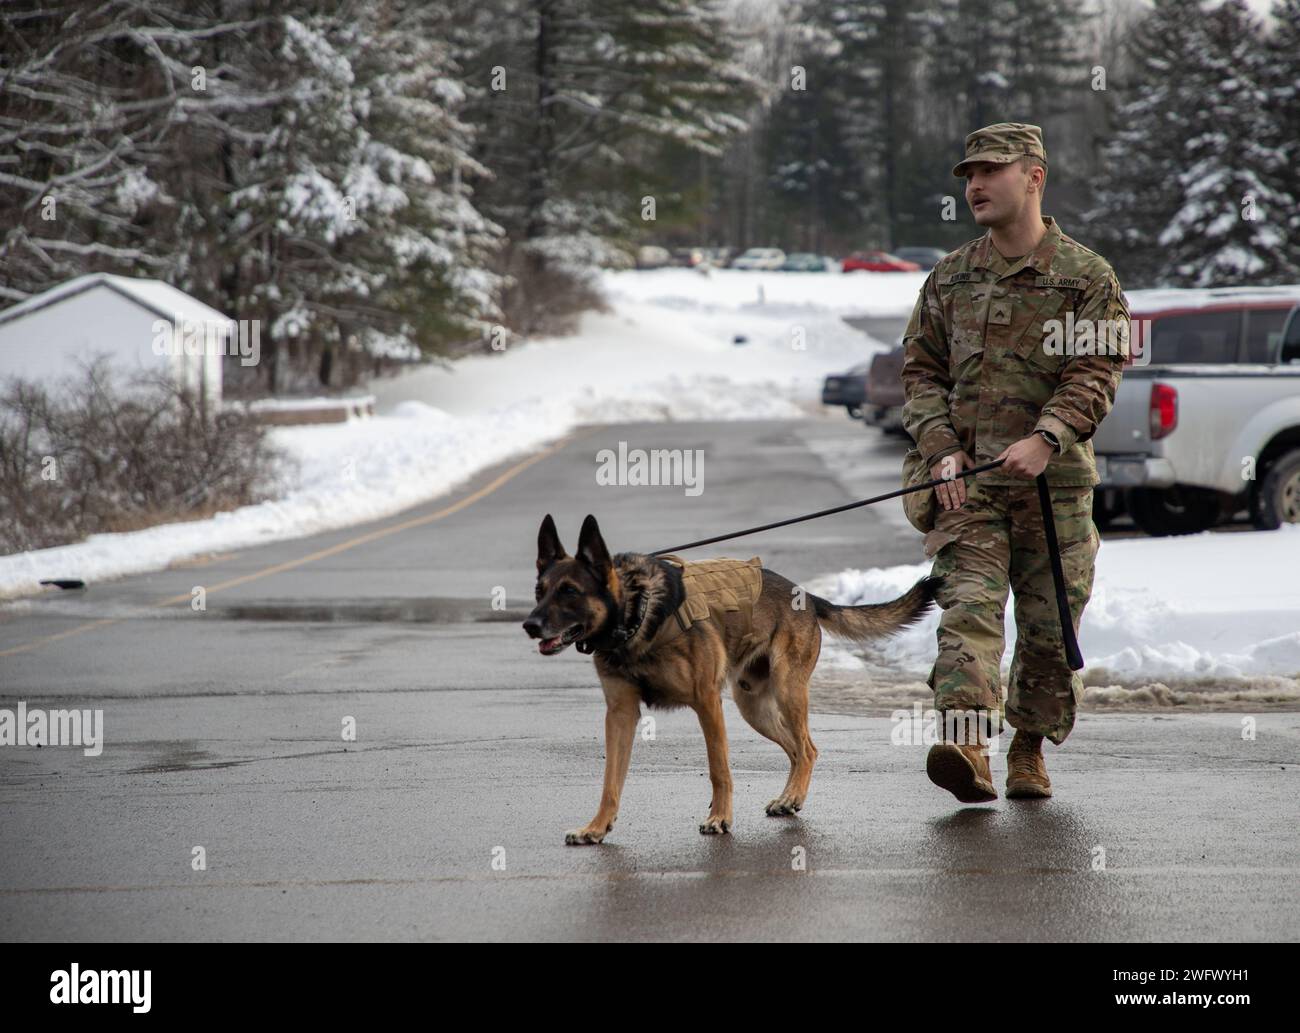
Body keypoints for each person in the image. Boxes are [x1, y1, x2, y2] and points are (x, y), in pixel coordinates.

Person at [900, 122, 1130, 803]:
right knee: (967, 611)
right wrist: (940, 450)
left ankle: (1027, 747)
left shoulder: (1086, 277)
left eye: (991, 170)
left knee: (1049, 634)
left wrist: (1049, 435)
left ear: (1034, 176)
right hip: (968, 491)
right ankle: (968, 745)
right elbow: (921, 373)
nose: (975, 184)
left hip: (1052, 490)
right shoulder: (952, 277)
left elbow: (1097, 368)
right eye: (968, 173)